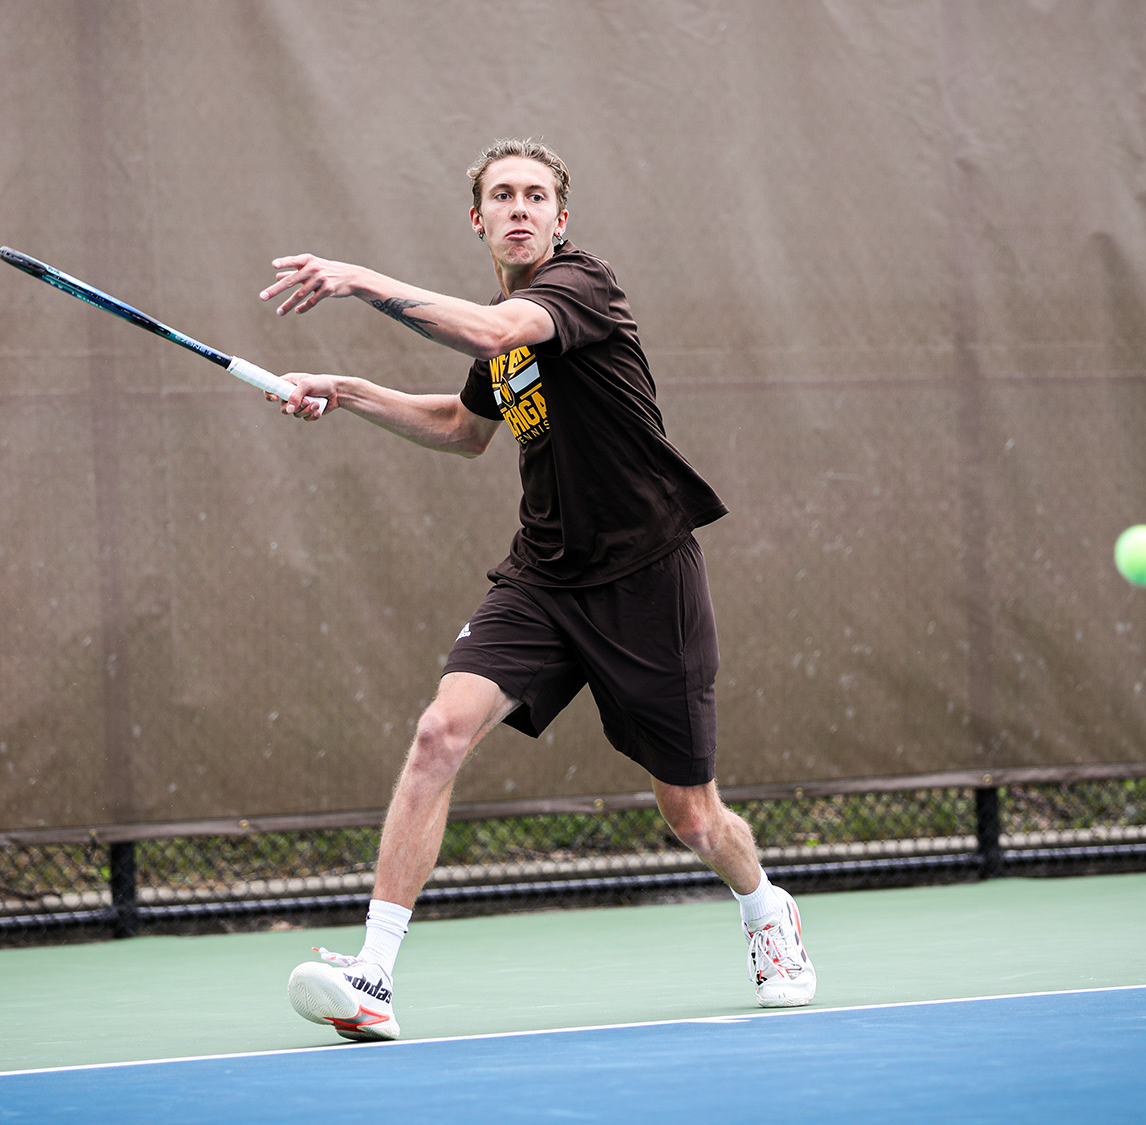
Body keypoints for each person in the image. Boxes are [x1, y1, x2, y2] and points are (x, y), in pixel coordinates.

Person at [260, 139, 815, 1042]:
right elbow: (462, 427)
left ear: (562, 218)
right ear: (477, 218)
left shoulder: (578, 291)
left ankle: (765, 910)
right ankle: (374, 976)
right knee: (439, 730)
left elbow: (494, 333)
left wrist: (357, 278)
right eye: (502, 196)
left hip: (646, 578)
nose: (520, 208)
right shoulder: (499, 327)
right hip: (544, 577)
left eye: (537, 196)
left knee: (692, 814)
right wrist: (348, 390)